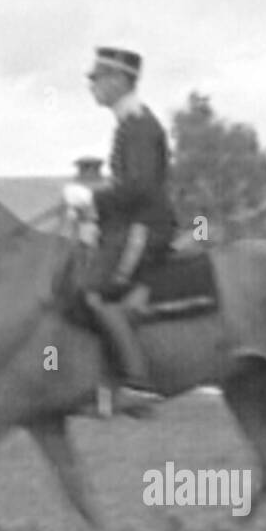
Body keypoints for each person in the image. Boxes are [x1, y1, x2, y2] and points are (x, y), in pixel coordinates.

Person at [62, 47, 178, 416]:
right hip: (127, 225)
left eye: (98, 77)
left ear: (119, 81)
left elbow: (141, 188)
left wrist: (92, 196)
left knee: (96, 293)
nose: (92, 84)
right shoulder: (128, 124)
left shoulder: (140, 126)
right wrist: (93, 216)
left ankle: (134, 384)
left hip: (145, 228)